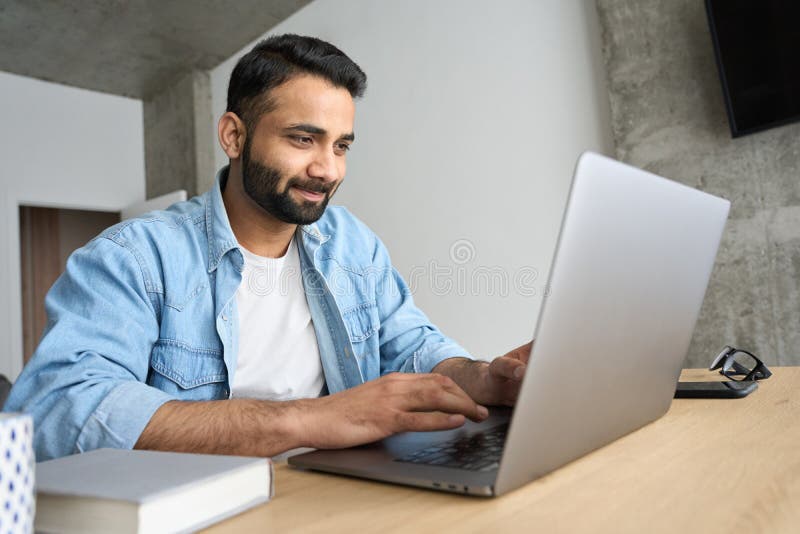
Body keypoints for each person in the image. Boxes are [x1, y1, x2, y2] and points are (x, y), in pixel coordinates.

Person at [4, 34, 531, 461]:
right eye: (303, 139)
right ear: (234, 136)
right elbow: (58, 410)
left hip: (331, 496)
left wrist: (482, 378)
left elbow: (411, 345)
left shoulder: (352, 245)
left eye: (340, 145)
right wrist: (313, 419)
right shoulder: (134, 257)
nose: (327, 169)